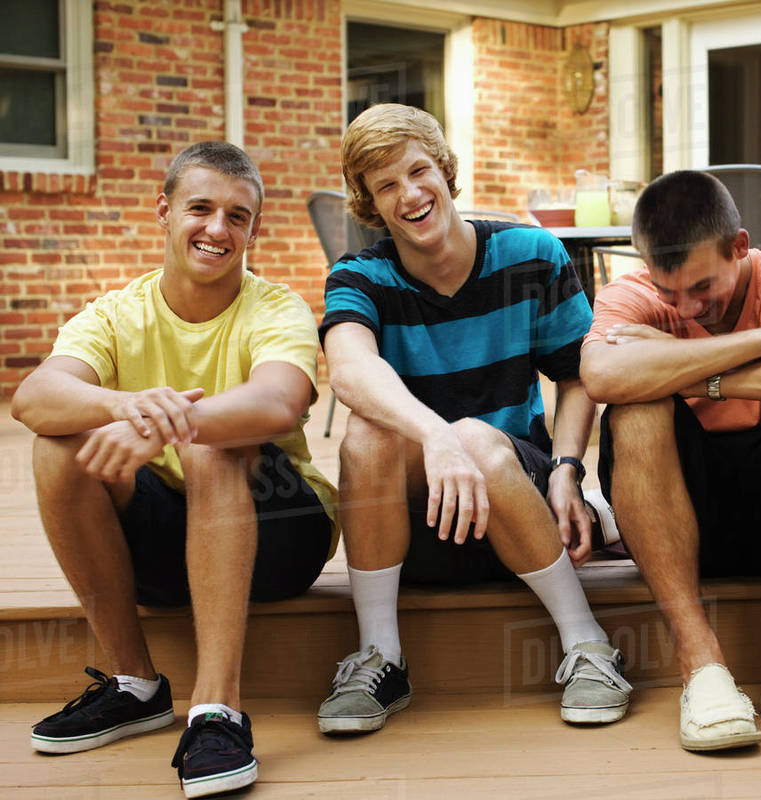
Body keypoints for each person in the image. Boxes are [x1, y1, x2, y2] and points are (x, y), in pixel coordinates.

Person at [11, 141, 338, 797]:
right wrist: (123, 405)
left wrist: (169, 423)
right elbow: (33, 398)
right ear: (164, 211)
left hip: (283, 532)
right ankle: (134, 683)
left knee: (213, 444)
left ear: (253, 230)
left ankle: (217, 709)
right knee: (58, 445)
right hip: (168, 544)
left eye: (237, 216)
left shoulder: (275, 307)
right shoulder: (116, 313)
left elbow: (280, 401)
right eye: (201, 208)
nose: (218, 229)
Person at [316, 103, 631, 733]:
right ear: (369, 204)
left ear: (446, 168)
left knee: (478, 442)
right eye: (386, 185)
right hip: (420, 528)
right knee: (367, 437)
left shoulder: (530, 253)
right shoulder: (359, 276)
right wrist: (436, 435)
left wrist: (567, 468)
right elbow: (349, 371)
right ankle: (381, 655)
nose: (410, 194)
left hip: (521, 502)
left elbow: (576, 377)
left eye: (419, 170)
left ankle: (588, 643)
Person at [580, 170, 761, 751]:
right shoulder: (632, 294)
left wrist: (688, 367)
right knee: (633, 408)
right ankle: (702, 664)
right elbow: (602, 374)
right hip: (679, 518)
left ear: (740, 247)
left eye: (703, 288)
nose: (688, 308)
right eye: (670, 295)